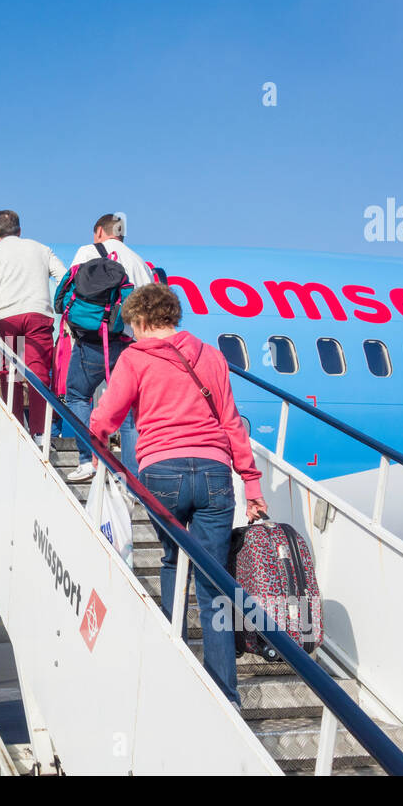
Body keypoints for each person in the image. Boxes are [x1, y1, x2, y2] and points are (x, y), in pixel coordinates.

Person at [88, 282, 267, 708]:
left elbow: (107, 414)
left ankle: (176, 673)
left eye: (131, 324)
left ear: (143, 320)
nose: (129, 333)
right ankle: (226, 695)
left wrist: (97, 446)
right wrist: (253, 485)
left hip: (161, 473)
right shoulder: (211, 355)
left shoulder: (134, 358)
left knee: (173, 561)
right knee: (213, 582)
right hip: (213, 472)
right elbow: (231, 423)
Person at [61, 214, 149, 480]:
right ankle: (134, 479)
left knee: (78, 395)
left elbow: (70, 290)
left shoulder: (87, 252)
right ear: (120, 234)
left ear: (99, 231)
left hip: (92, 342)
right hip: (128, 344)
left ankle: (89, 460)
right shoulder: (137, 261)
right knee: (130, 413)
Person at [0, 210, 67, 438]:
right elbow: (64, 276)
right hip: (38, 314)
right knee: (38, 373)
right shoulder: (41, 249)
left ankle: (15, 428)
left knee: (9, 373)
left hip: (6, 318)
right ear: (20, 230)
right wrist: (62, 305)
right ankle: (39, 432)